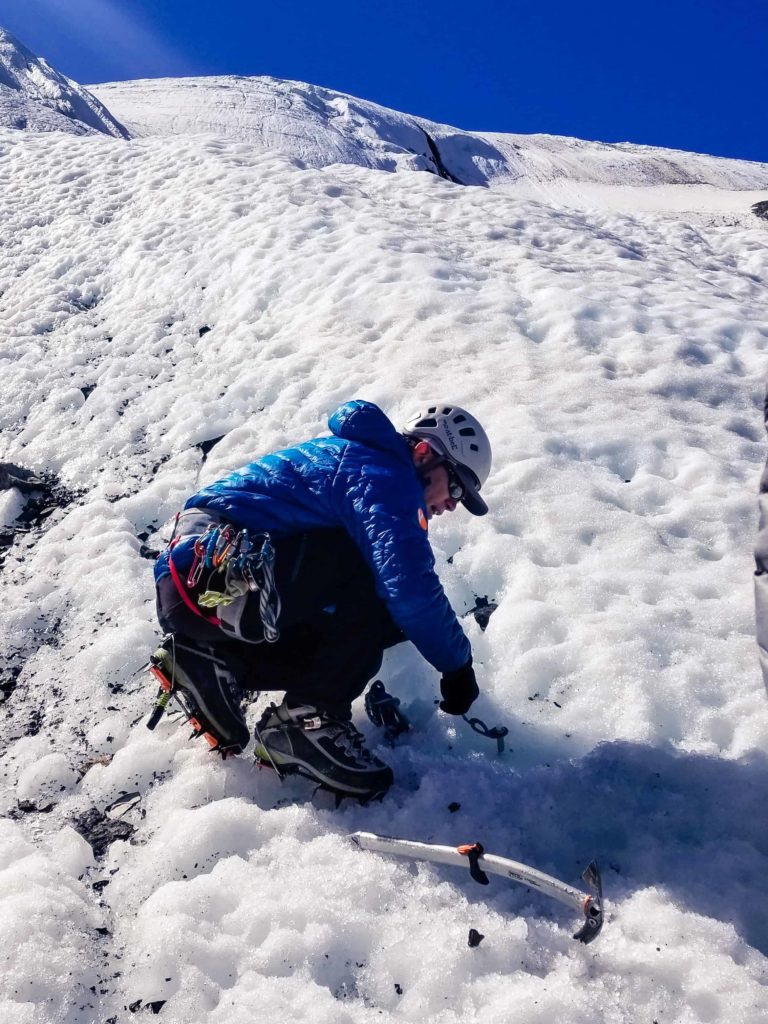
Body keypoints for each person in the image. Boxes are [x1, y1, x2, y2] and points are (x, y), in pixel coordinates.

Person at [149, 399, 492, 800]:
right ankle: (308, 718)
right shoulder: (383, 473)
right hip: (216, 572)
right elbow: (409, 586)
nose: (452, 503)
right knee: (383, 582)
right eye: (454, 486)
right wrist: (457, 665)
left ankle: (216, 664)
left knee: (385, 611)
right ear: (423, 453)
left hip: (201, 583)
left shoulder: (369, 465)